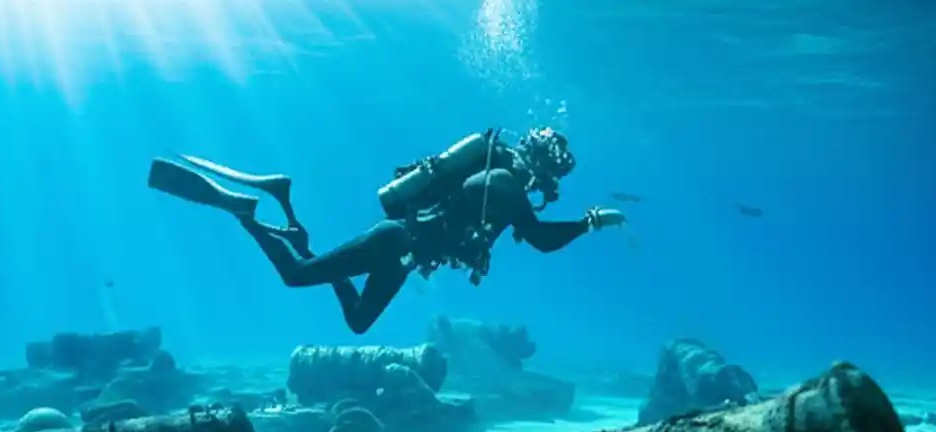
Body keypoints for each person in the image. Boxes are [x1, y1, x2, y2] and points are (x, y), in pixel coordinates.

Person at [147, 127, 627, 334]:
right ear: (542, 168)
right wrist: (589, 222)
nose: (548, 186)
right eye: (551, 177)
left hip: (403, 254)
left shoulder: (496, 179)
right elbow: (541, 239)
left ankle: (294, 228)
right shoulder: (506, 186)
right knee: (294, 276)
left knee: (356, 320)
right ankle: (246, 211)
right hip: (395, 242)